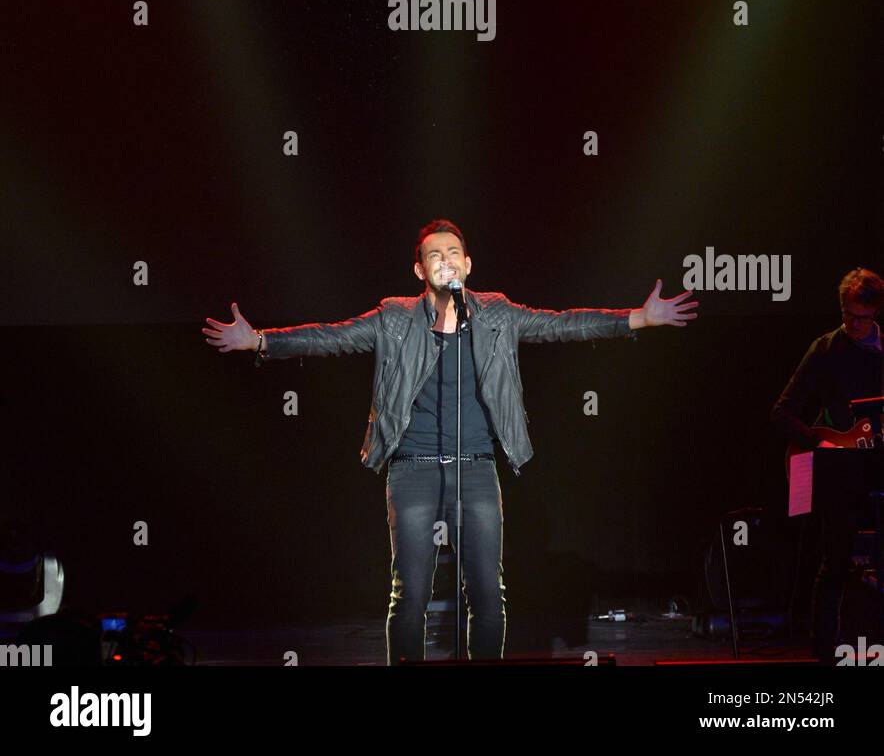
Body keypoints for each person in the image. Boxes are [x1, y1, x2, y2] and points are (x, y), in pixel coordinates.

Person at [203, 218, 698, 664]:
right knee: (411, 594)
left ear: (468, 263)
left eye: (454, 252)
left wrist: (637, 318)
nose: (446, 260)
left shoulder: (498, 313)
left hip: (477, 467)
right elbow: (333, 336)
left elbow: (560, 324)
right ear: (419, 269)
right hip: (412, 468)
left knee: (487, 592)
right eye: (434, 255)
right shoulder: (395, 318)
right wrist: (263, 341)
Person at [770, 267, 884, 664]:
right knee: (834, 563)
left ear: (876, 314)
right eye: (848, 314)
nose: (853, 324)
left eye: (862, 318)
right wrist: (821, 440)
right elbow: (781, 412)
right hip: (837, 471)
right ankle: (824, 655)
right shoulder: (825, 349)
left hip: (876, 466)